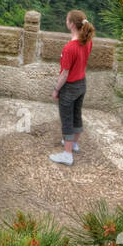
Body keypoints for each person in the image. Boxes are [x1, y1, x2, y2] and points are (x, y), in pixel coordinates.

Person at [49, 9, 95, 166]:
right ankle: (74, 144)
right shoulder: (87, 42)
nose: (65, 22)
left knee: (67, 120)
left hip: (69, 87)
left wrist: (56, 89)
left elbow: (64, 74)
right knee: (76, 114)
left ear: (70, 24)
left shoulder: (69, 48)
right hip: (82, 84)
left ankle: (67, 154)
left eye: (67, 20)